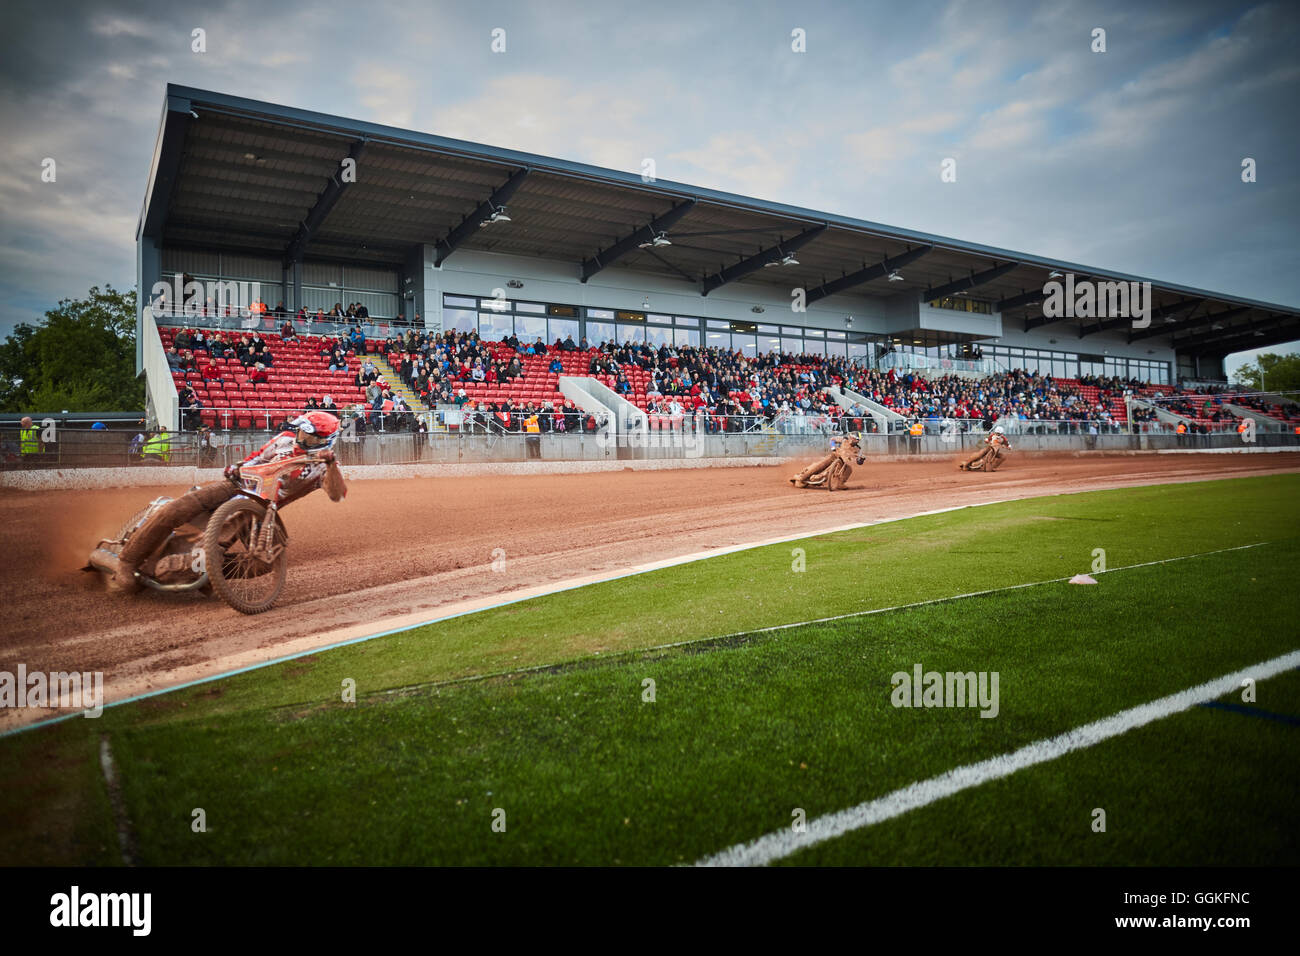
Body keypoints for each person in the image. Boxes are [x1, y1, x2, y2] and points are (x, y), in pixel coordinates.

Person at [109, 412, 347, 593]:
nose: (300, 437)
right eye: (301, 432)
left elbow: (337, 494)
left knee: (266, 561)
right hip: (237, 484)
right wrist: (239, 466)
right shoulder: (285, 439)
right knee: (182, 506)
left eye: (308, 435)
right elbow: (258, 456)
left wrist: (329, 463)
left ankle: (210, 570)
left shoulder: (325, 468)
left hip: (259, 509)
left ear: (324, 440)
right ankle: (128, 561)